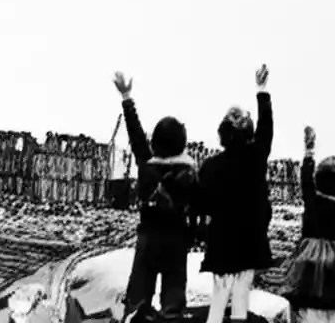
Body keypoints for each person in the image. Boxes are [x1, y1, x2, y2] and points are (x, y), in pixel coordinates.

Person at [115, 71, 200, 322]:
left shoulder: (147, 166)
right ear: (182, 143)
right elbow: (198, 209)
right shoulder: (189, 172)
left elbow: (136, 135)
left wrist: (126, 97)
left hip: (149, 239)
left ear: (157, 142)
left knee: (137, 301)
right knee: (173, 302)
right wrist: (195, 235)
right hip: (176, 241)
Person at [194, 64, 275, 323]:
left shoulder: (210, 166)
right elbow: (267, 128)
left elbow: (201, 204)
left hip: (222, 239)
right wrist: (262, 90)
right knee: (241, 297)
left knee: (219, 297)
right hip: (250, 237)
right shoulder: (257, 157)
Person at [282, 125, 335, 323]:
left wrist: (308, 152)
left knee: (307, 303)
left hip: (309, 260)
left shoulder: (312, 200)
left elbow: (305, 180)